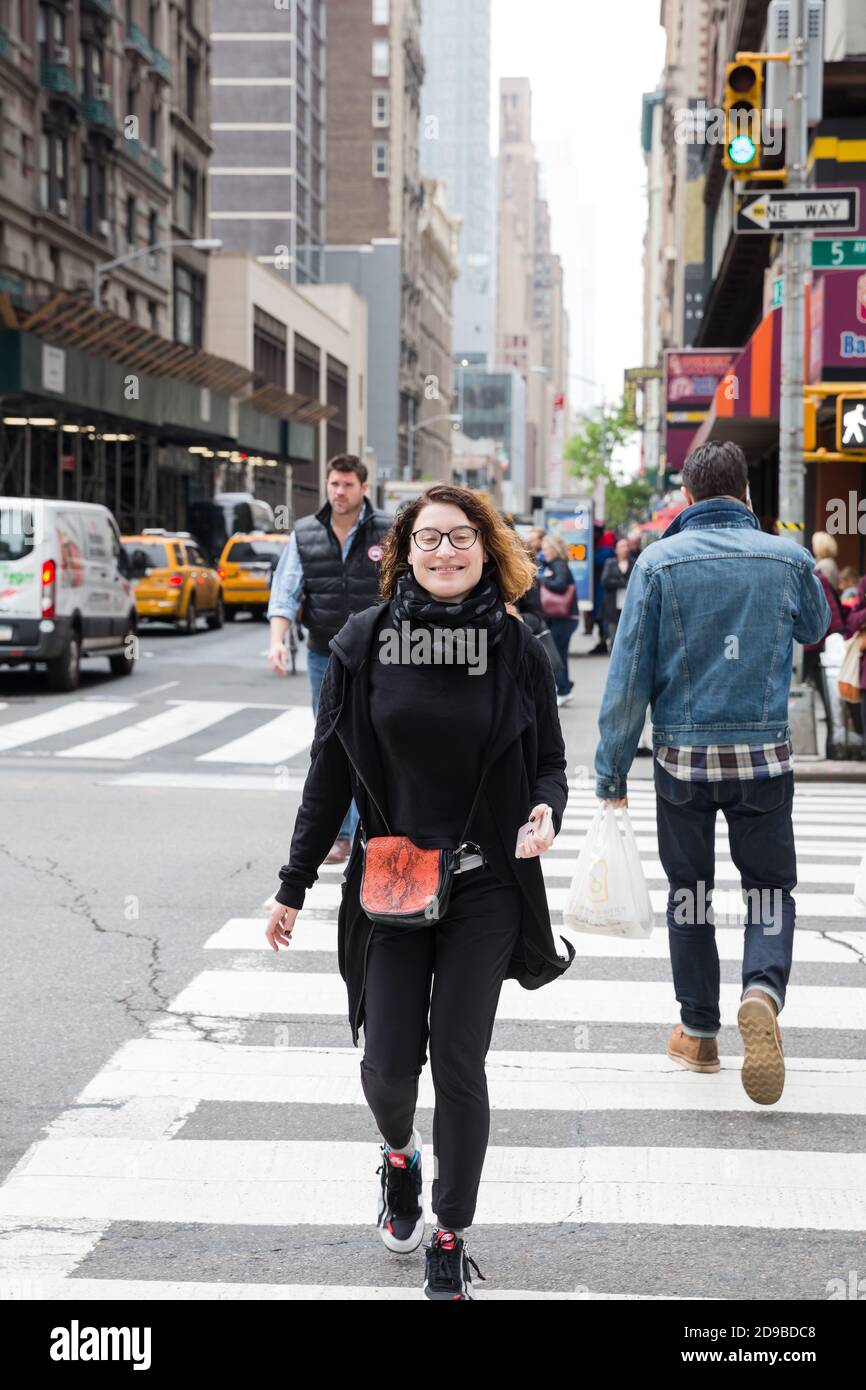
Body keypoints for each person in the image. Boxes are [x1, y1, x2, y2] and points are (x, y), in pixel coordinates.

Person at [264, 484, 575, 1300]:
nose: (446, 552)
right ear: (403, 549)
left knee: (459, 1060)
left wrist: (546, 810)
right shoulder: (365, 642)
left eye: (462, 537)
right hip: (395, 881)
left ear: (487, 549)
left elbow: (549, 760)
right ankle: (398, 1157)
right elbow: (328, 770)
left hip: (485, 886)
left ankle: (449, 1234)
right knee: (389, 1063)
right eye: (429, 538)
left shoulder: (520, 645)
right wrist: (293, 882)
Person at [594, 440, 830, 1107]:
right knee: (768, 889)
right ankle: (761, 990)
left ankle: (699, 1033)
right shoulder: (785, 557)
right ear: (747, 497)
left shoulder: (659, 563)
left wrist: (611, 771)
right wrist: (790, 556)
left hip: (682, 763)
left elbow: (628, 676)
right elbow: (815, 627)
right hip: (764, 760)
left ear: (688, 498)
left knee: (689, 893)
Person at [267, 455, 392, 863]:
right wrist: (277, 642)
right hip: (325, 653)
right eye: (334, 484)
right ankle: (341, 833)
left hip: (379, 653)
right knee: (332, 739)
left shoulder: (387, 530)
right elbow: (285, 592)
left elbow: (402, 587)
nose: (339, 492)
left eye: (347, 485)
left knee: (377, 736)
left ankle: (370, 828)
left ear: (363, 488)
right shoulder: (305, 533)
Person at [801, 541, 846, 759]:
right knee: (826, 697)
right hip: (819, 644)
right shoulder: (821, 574)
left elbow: (825, 615)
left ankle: (833, 746)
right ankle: (832, 745)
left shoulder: (819, 574)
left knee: (826, 696)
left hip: (817, 646)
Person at [538, 533, 579, 707]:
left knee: (553, 655)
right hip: (567, 618)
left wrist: (543, 579)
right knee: (560, 654)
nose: (544, 551)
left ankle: (563, 690)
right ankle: (564, 688)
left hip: (563, 617)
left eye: (546, 548)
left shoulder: (558, 564)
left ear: (554, 549)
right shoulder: (557, 564)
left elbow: (560, 585)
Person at [600, 536, 636, 647]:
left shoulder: (634, 563)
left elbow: (636, 581)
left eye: (626, 546)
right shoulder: (610, 563)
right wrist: (623, 583)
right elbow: (605, 581)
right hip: (613, 607)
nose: (625, 549)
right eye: (622, 546)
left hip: (629, 606)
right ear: (616, 549)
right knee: (614, 636)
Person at [590, 527, 616, 654]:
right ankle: (603, 641)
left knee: (602, 618)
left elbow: (594, 560)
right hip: (599, 591)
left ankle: (604, 641)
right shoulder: (606, 551)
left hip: (601, 593)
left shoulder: (605, 552)